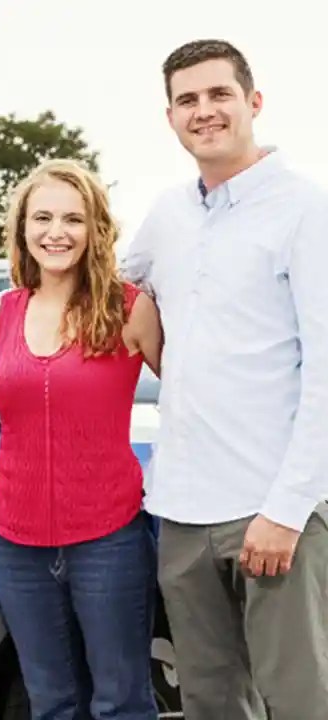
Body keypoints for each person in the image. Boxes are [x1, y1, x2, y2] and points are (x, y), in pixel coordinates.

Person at [119, 39, 328, 718]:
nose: (203, 111)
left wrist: (288, 510)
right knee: (210, 702)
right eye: (187, 100)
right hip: (180, 509)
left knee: (299, 700)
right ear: (171, 116)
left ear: (253, 103)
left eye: (219, 95)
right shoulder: (169, 213)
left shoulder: (305, 209)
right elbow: (102, 281)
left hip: (271, 510)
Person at [0, 158, 164, 719]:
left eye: (73, 219)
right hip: (18, 543)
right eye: (43, 218)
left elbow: (191, 389)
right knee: (51, 701)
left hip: (109, 539)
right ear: (23, 229)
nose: (57, 232)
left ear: (95, 229)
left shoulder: (129, 308)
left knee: (120, 700)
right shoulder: (3, 310)